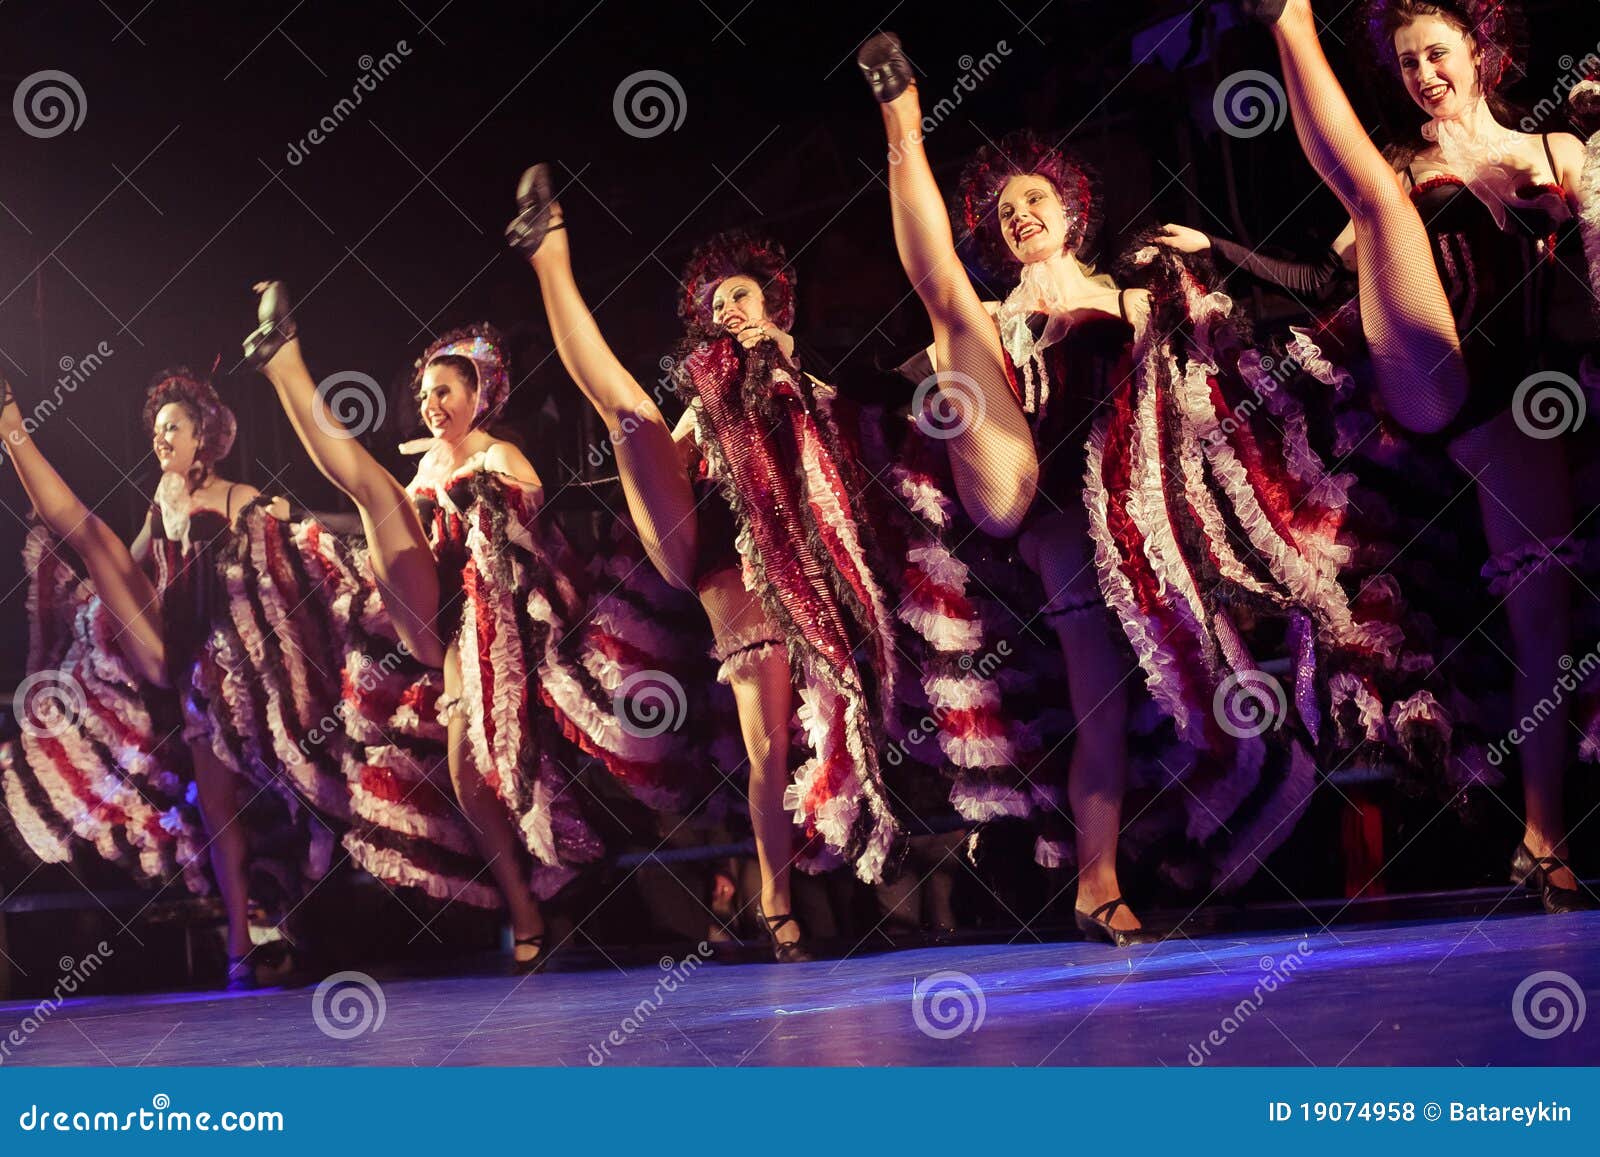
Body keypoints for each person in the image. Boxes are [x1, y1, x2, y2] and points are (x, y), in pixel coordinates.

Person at [1205, 0, 1596, 913]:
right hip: (1428, 373)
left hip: (1527, 397)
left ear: (1484, 56)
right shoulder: (1403, 166)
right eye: (1408, 62)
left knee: (1542, 618)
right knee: (1379, 197)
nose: (1422, 74)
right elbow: (1323, 277)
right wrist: (1219, 251)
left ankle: (1544, 838)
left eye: (1437, 55)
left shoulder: (1554, 155)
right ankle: (1288, 19)